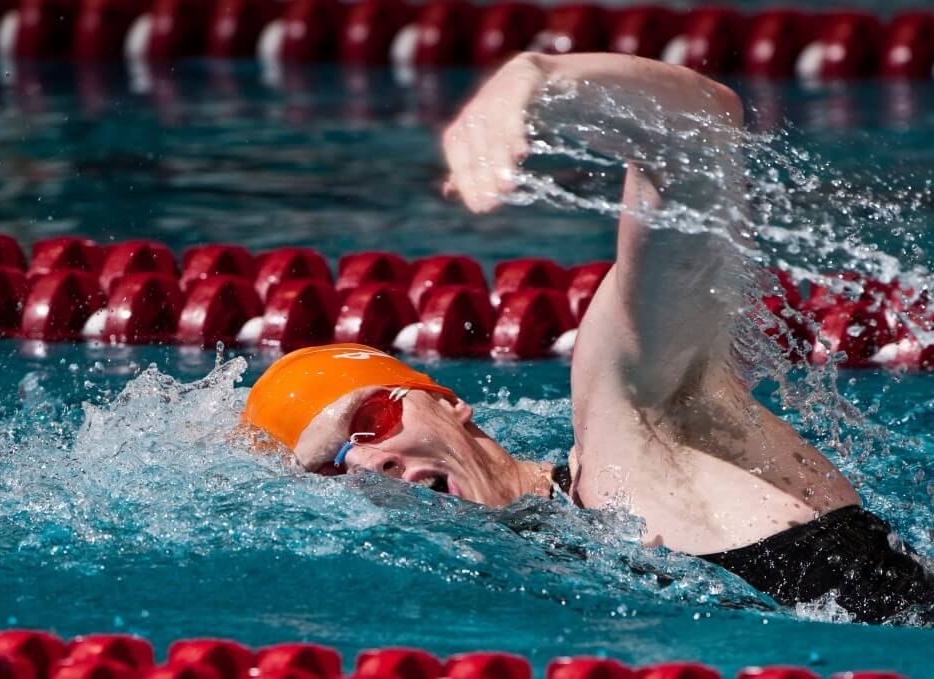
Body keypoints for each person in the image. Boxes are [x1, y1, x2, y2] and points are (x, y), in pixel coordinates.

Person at [242, 53, 934, 624]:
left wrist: (534, 79)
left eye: (373, 416)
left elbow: (697, 130)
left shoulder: (631, 433)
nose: (369, 464)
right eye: (335, 468)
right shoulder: (552, 550)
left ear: (449, 402)